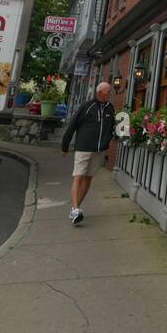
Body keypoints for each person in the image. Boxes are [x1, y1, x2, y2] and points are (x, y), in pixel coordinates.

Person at [60, 81, 115, 225]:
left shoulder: (110, 108)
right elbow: (72, 125)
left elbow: (112, 128)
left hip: (99, 150)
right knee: (78, 176)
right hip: (83, 148)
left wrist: (108, 142)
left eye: (110, 91)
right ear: (99, 92)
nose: (110, 93)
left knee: (88, 178)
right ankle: (76, 209)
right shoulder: (87, 106)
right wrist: (65, 145)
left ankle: (74, 209)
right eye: (108, 91)